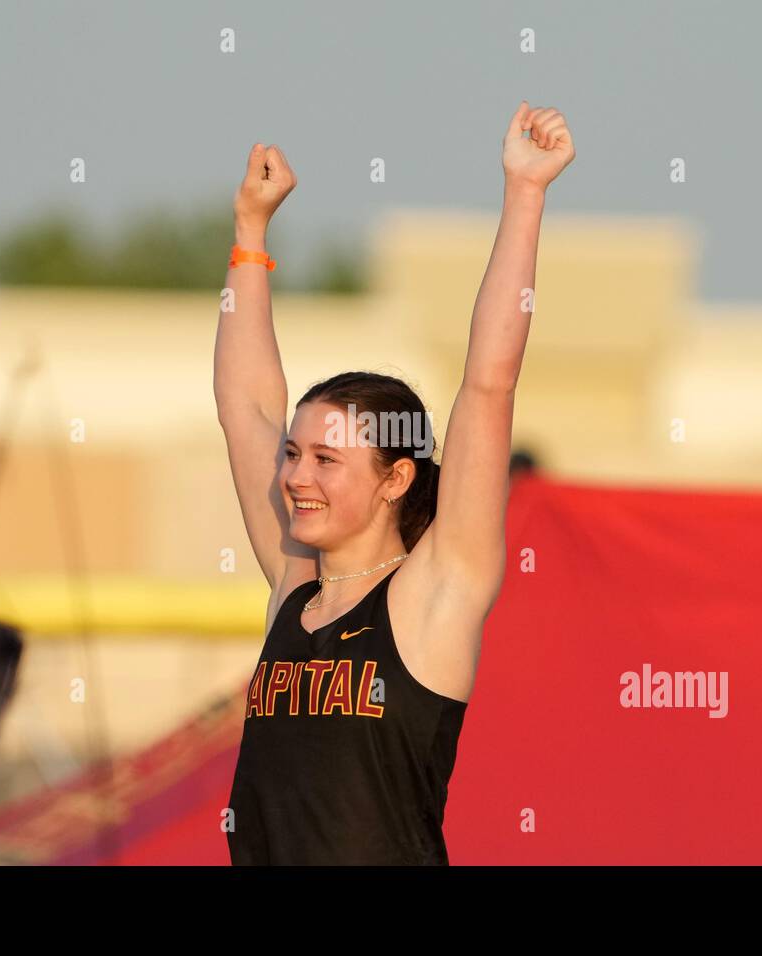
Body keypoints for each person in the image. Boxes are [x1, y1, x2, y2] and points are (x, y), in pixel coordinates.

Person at [214, 101, 575, 864]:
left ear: (394, 478)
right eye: (293, 453)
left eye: (326, 459)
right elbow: (243, 405)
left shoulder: (433, 594)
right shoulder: (295, 583)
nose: (296, 477)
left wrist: (526, 193)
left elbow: (489, 385)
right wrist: (250, 233)